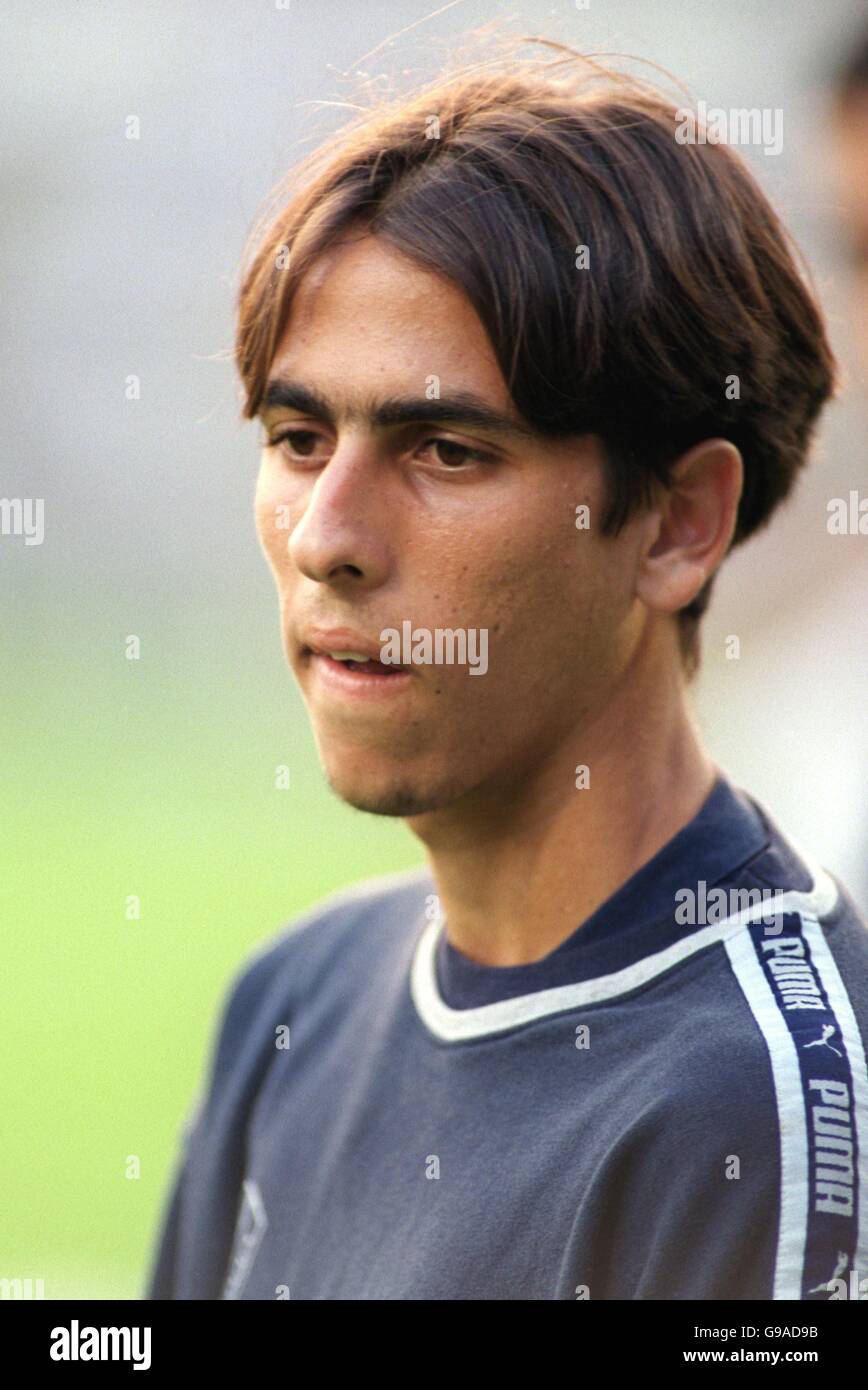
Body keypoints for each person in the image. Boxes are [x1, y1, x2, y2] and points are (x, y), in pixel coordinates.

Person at [145, 41, 868, 1300]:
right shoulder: (293, 1005)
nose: (327, 539)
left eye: (445, 450)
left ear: (677, 523)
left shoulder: (768, 1113)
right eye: (299, 437)